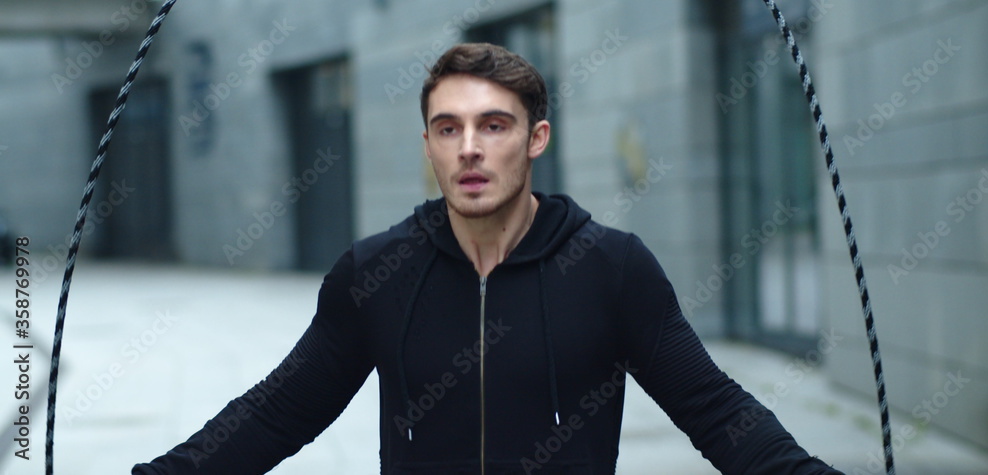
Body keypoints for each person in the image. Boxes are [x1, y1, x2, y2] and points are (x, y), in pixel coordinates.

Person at [133, 43, 843, 474]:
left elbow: (716, 410)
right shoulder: (375, 274)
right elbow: (278, 411)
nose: (469, 146)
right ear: (429, 146)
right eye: (449, 127)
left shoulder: (610, 268)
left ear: (535, 139)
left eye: (492, 125)